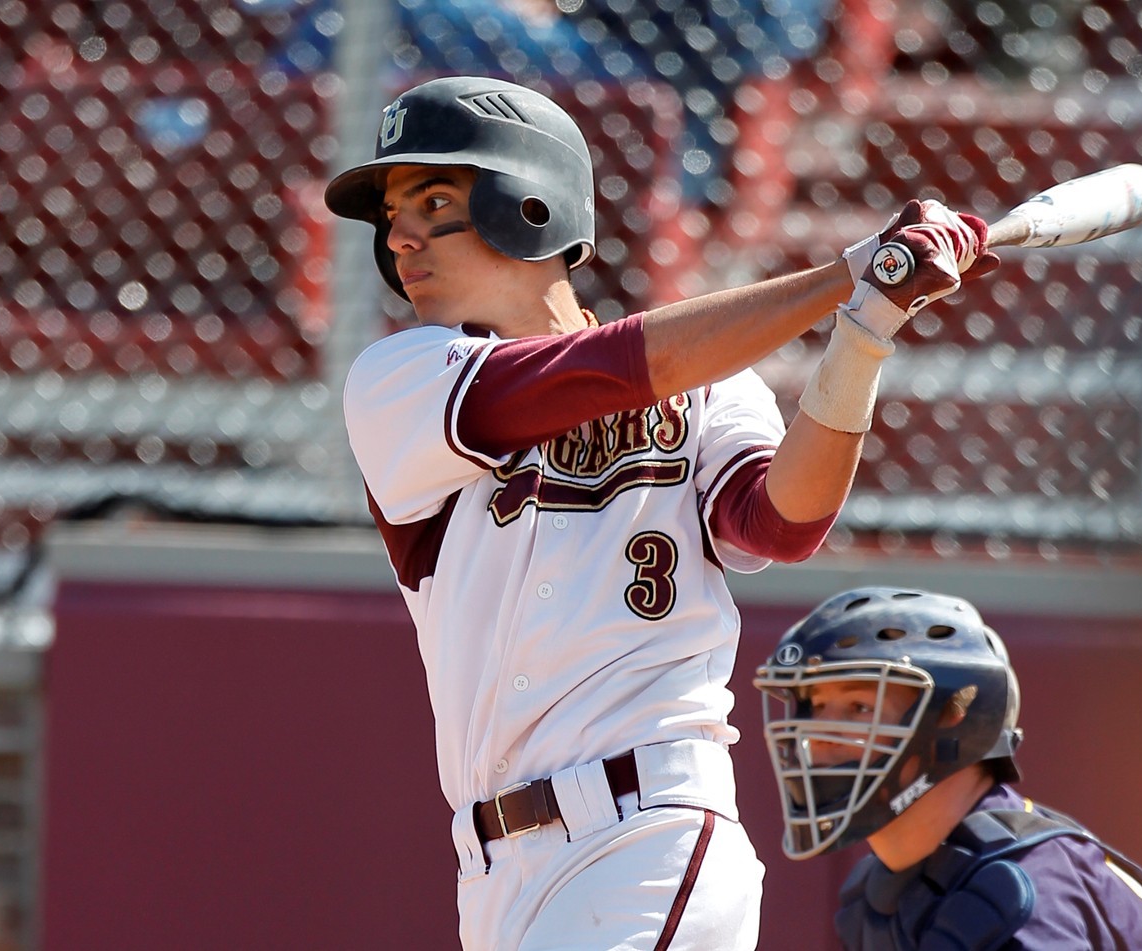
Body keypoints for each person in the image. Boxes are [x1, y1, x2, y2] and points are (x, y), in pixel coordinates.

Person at [325, 74, 996, 950]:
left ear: (529, 203)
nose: (400, 235)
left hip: (647, 832)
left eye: (435, 198)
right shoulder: (398, 380)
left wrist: (864, 327)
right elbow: (593, 374)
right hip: (492, 868)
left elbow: (780, 523)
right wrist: (842, 276)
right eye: (390, 215)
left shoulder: (715, 382)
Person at [752, 586, 1142, 949]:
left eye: (860, 707)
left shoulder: (1016, 894)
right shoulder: (882, 890)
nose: (818, 734)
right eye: (814, 706)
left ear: (956, 718)